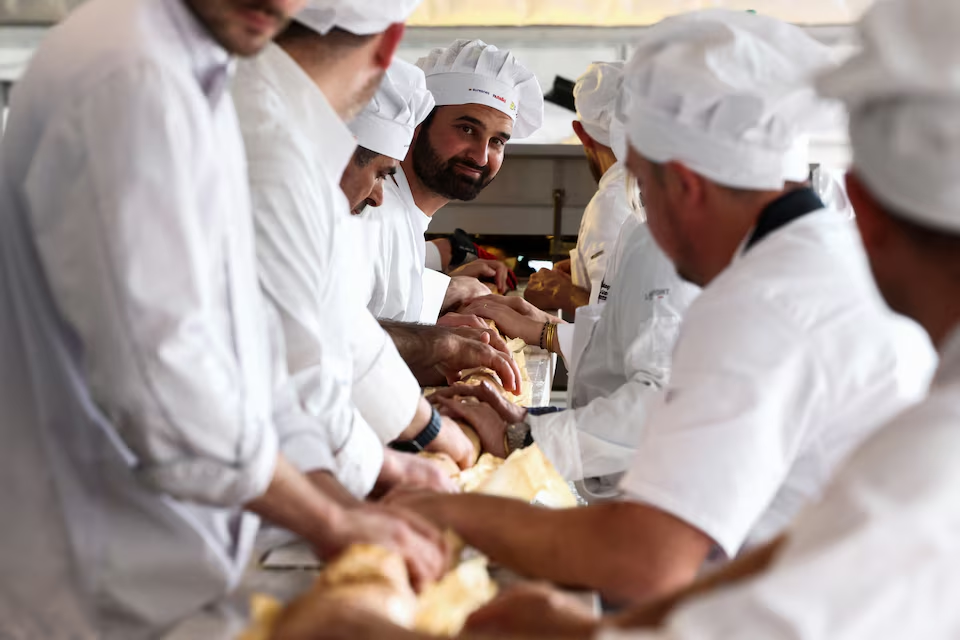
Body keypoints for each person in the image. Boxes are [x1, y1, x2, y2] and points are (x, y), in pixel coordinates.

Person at [391, 8, 938, 608]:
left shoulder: (763, 304)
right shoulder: (808, 265)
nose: (642, 218)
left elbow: (644, 557)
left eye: (643, 188)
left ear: (686, 184)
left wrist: (450, 511)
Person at [0, 0, 451, 636]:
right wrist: (331, 518)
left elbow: (252, 354)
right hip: (99, 587)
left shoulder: (197, 74)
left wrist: (358, 482)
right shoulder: (134, 73)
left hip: (157, 572)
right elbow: (168, 384)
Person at [233, 5, 522, 485]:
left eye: (498, 140)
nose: (377, 194)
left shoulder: (274, 142)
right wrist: (420, 433)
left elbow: (337, 327)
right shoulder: (300, 180)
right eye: (466, 128)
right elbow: (317, 348)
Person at [443, 69, 700, 485]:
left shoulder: (666, 235)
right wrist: (541, 329)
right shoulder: (647, 225)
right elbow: (619, 341)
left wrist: (526, 435)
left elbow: (658, 394)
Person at [359, 38, 544, 324]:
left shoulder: (406, 215)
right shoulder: (373, 208)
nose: (481, 157)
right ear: (418, 125)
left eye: (496, 141)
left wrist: (444, 288)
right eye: (467, 129)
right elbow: (343, 338)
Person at [524, 61, 631, 316]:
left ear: (581, 132)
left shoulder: (612, 201)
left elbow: (616, 323)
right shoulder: (656, 187)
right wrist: (581, 269)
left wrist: (562, 292)